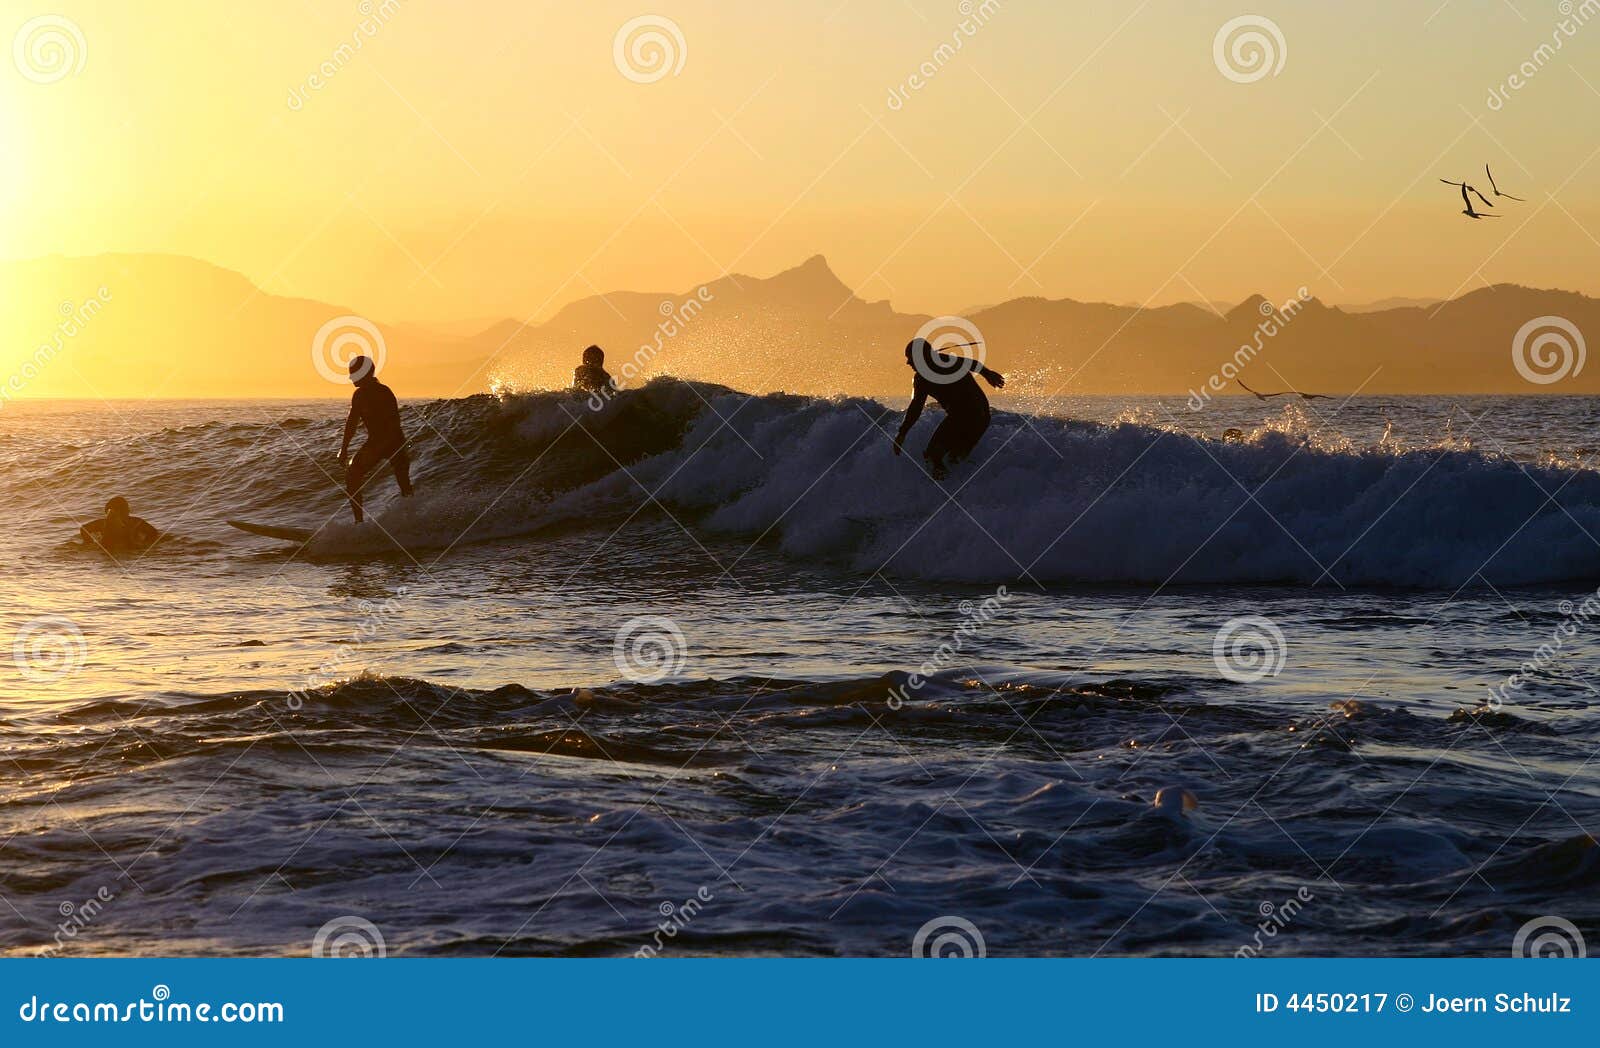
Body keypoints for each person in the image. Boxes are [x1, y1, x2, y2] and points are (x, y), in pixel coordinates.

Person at [893, 338, 1005, 477]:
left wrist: (902, 433)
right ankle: (969, 488)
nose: (908, 362)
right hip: (982, 417)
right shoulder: (944, 362)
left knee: (933, 456)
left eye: (910, 358)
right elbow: (973, 363)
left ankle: (943, 490)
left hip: (965, 417)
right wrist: (987, 374)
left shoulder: (924, 378)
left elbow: (916, 407)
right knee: (955, 459)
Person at [338, 355, 413, 523]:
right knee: (352, 475)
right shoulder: (358, 395)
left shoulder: (383, 392)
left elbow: (394, 424)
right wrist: (344, 449)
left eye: (353, 373)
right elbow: (351, 423)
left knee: (403, 482)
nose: (350, 377)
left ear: (364, 373)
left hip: (395, 442)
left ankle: (411, 521)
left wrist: (383, 447)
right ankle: (359, 522)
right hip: (376, 441)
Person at [79, 496, 160, 552]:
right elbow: (83, 529)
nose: (129, 511)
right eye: (126, 509)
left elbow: (154, 533)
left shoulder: (135, 522)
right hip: (114, 547)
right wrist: (89, 543)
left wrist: (144, 544)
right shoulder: (136, 522)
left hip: (129, 547)